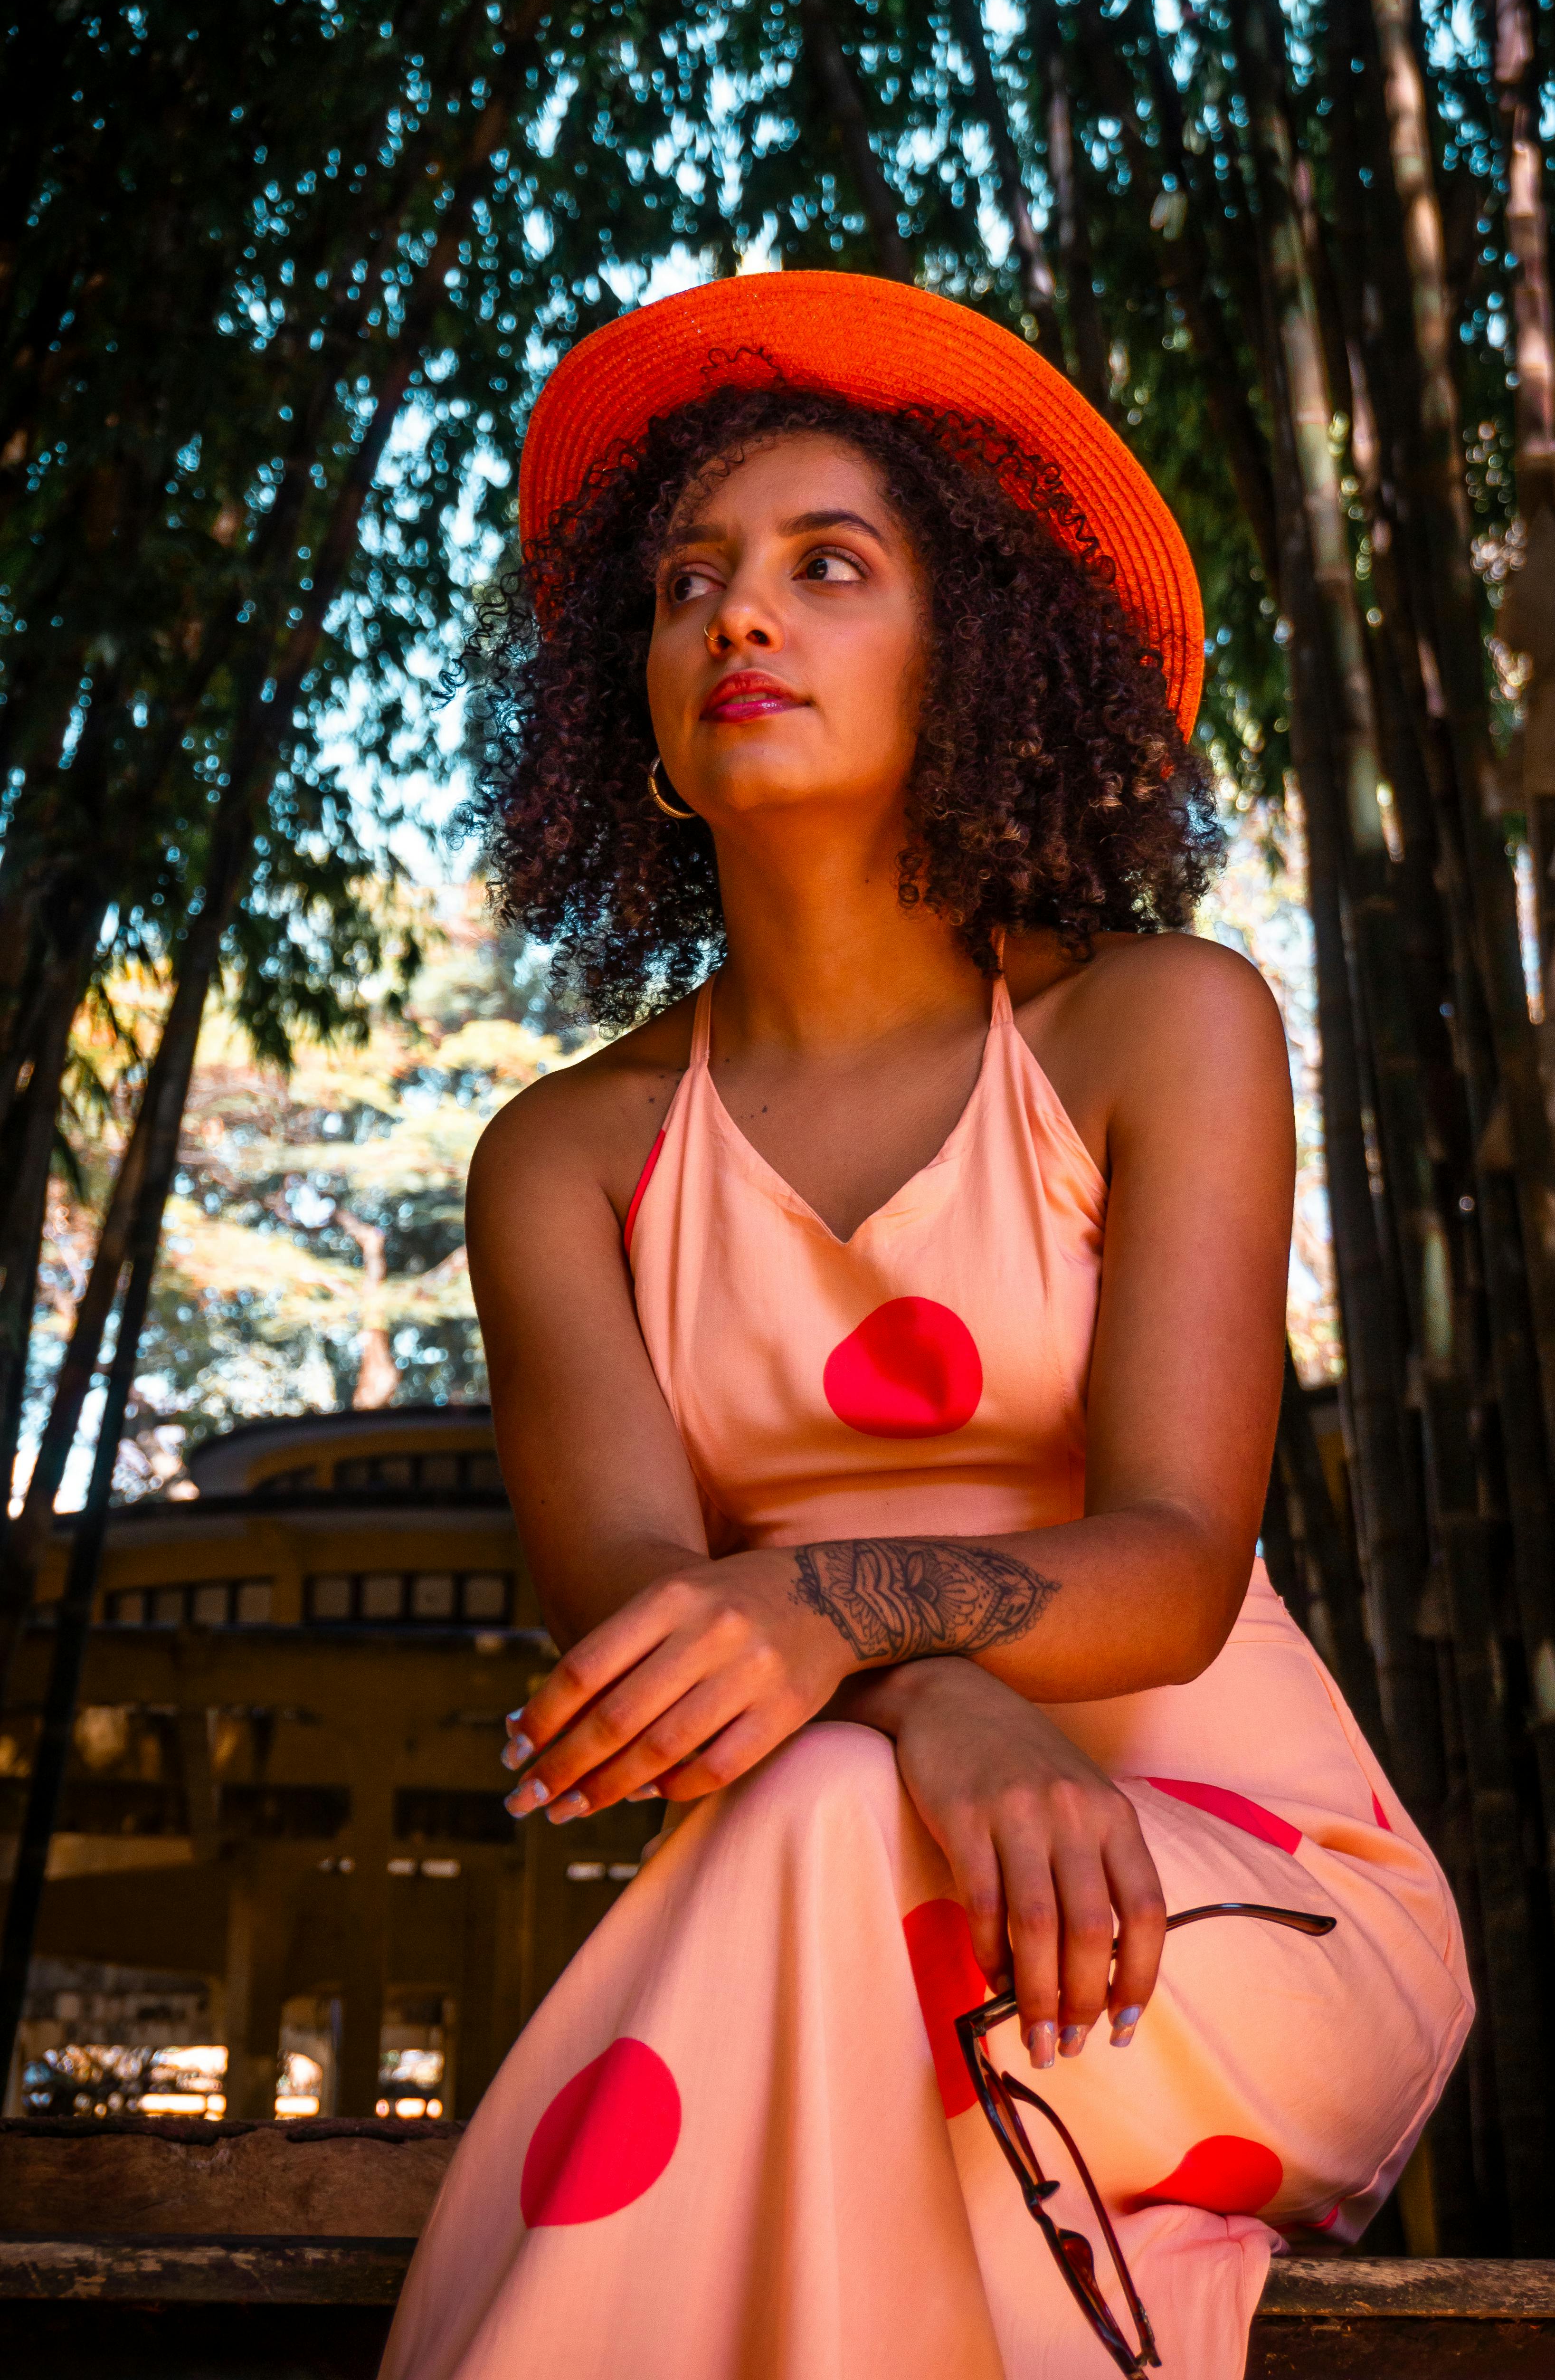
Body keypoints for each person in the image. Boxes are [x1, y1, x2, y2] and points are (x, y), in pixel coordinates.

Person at [380, 274, 1470, 2380]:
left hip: (1217, 1896)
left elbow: (1167, 1562)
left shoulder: (1155, 1024)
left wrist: (826, 1619)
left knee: (799, 1832)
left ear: (973, 652)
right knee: (802, 1831)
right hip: (828, 1896)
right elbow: (638, 1639)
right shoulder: (564, 1158)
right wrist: (937, 1712)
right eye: (688, 579)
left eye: (825, 567)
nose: (737, 621)